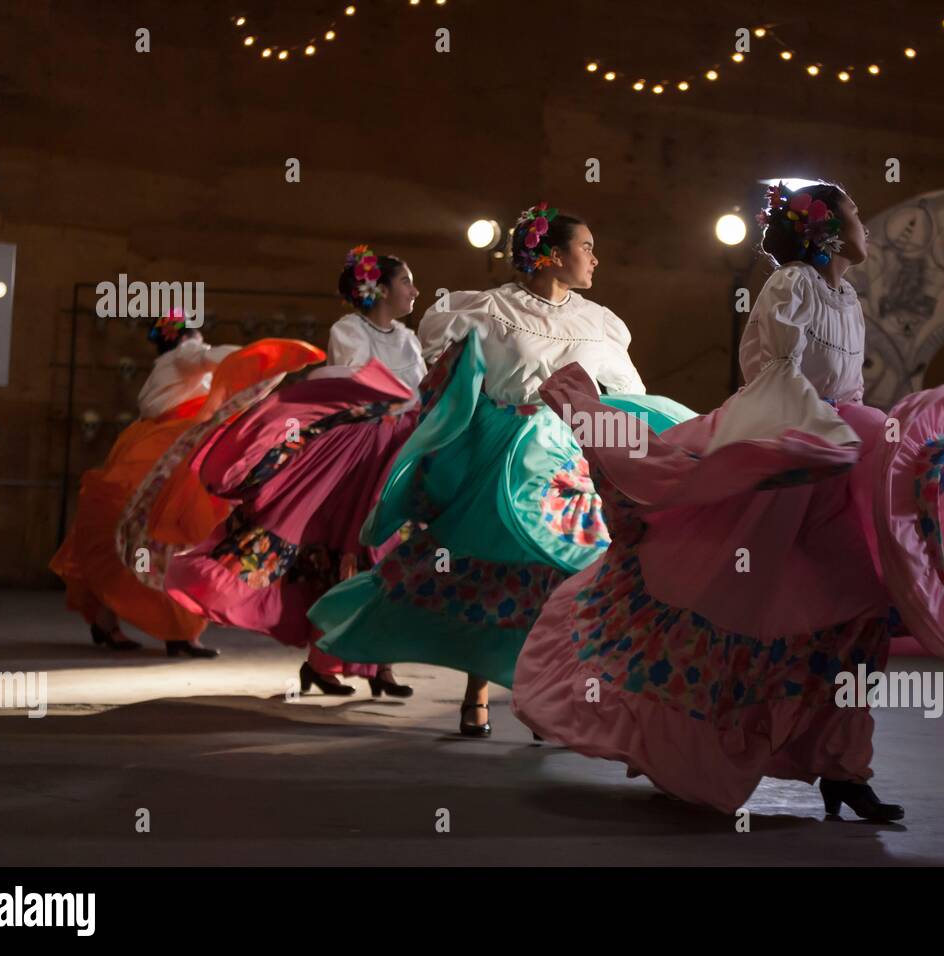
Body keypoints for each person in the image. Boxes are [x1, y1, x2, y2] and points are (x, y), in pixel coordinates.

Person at [510, 181, 944, 819]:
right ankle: (698, 752)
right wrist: (817, 439)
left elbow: (846, 384)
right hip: (793, 455)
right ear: (825, 232)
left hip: (838, 459)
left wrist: (863, 440)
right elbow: (775, 372)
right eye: (854, 217)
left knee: (857, 613)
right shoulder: (793, 284)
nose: (864, 229)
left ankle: (844, 767)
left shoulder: (846, 296)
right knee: (746, 603)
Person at [311, 203, 694, 735]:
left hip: (568, 461)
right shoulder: (487, 310)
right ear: (553, 255)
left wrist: (657, 446)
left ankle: (548, 697)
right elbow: (443, 364)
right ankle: (478, 694)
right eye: (586, 247)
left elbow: (626, 393)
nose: (595, 259)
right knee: (493, 571)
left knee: (564, 574)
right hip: (503, 449)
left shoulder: (598, 322)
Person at [165, 246, 424, 697]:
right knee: (344, 547)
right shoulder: (348, 329)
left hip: (396, 448)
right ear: (379, 288)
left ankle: (380, 665)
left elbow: (414, 390)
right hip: (353, 450)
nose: (415, 291)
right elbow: (357, 384)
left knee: (386, 552)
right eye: (406, 282)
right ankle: (324, 663)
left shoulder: (407, 337)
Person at [52, 312, 318, 657]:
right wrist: (269, 357)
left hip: (142, 448)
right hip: (170, 451)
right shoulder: (185, 355)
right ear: (188, 335)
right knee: (175, 540)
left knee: (127, 536)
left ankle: (109, 622)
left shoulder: (163, 365)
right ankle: (178, 632)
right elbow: (217, 356)